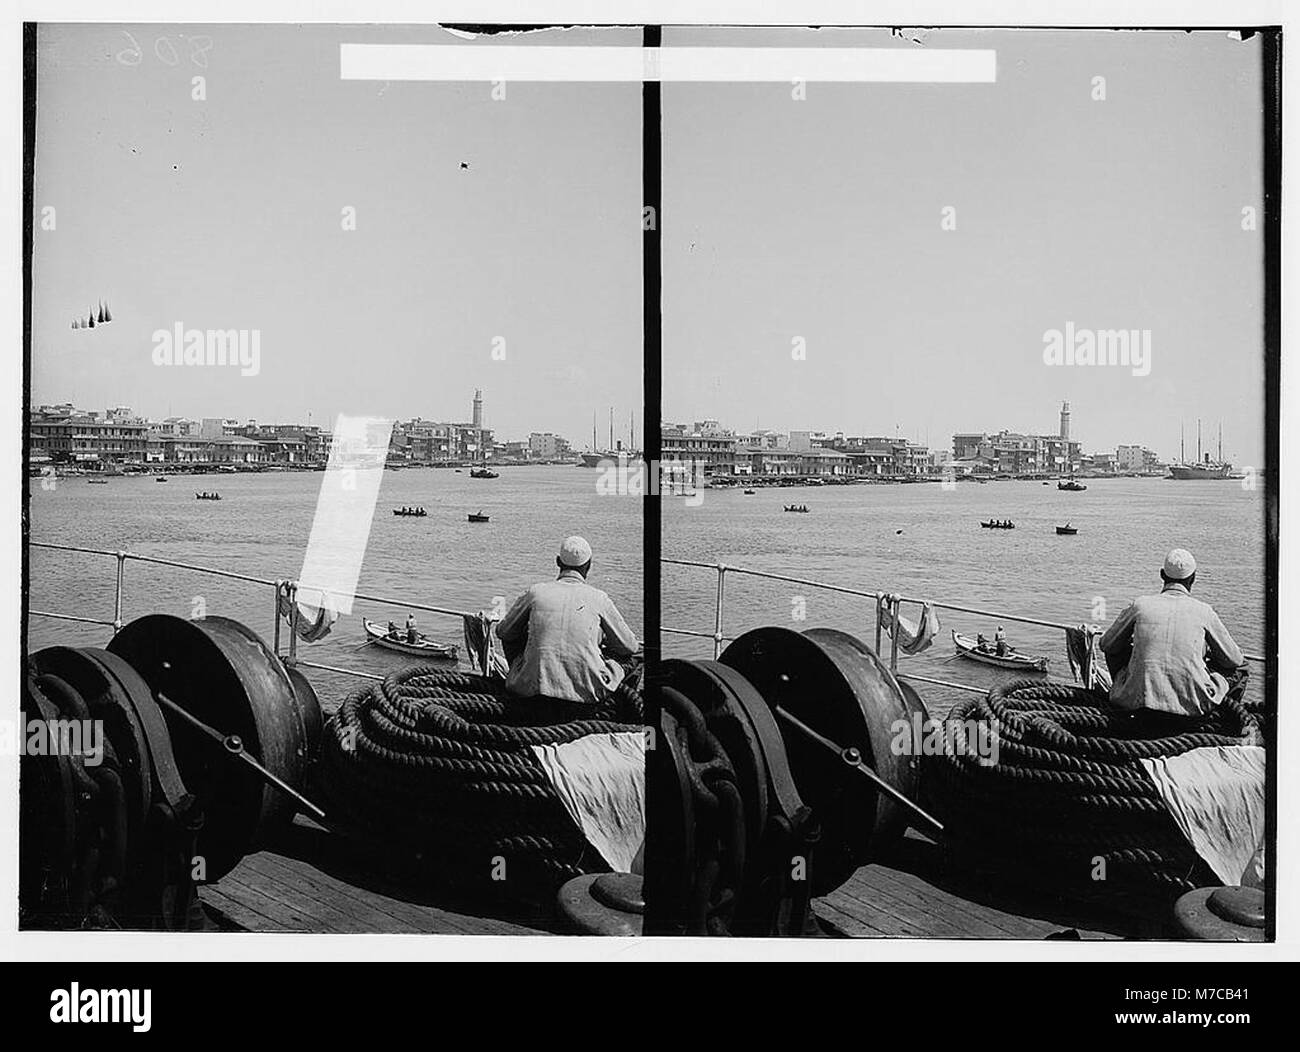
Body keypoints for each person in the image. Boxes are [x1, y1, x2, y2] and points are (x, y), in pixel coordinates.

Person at [1099, 548, 1246, 717]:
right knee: (1242, 666)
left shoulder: (1140, 605)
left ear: (1162, 575)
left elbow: (1106, 645)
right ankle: (1225, 719)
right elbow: (1234, 660)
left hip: (1136, 703)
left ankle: (1128, 692)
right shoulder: (1204, 611)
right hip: (1192, 707)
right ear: (1193, 578)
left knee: (1116, 649)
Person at [496, 535, 639, 705]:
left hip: (530, 690)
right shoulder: (599, 598)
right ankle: (620, 707)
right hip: (587, 693)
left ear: (558, 562)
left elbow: (503, 632)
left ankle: (524, 676)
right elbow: (630, 647)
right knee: (640, 654)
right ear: (589, 565)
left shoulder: (536, 592)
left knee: (514, 634)